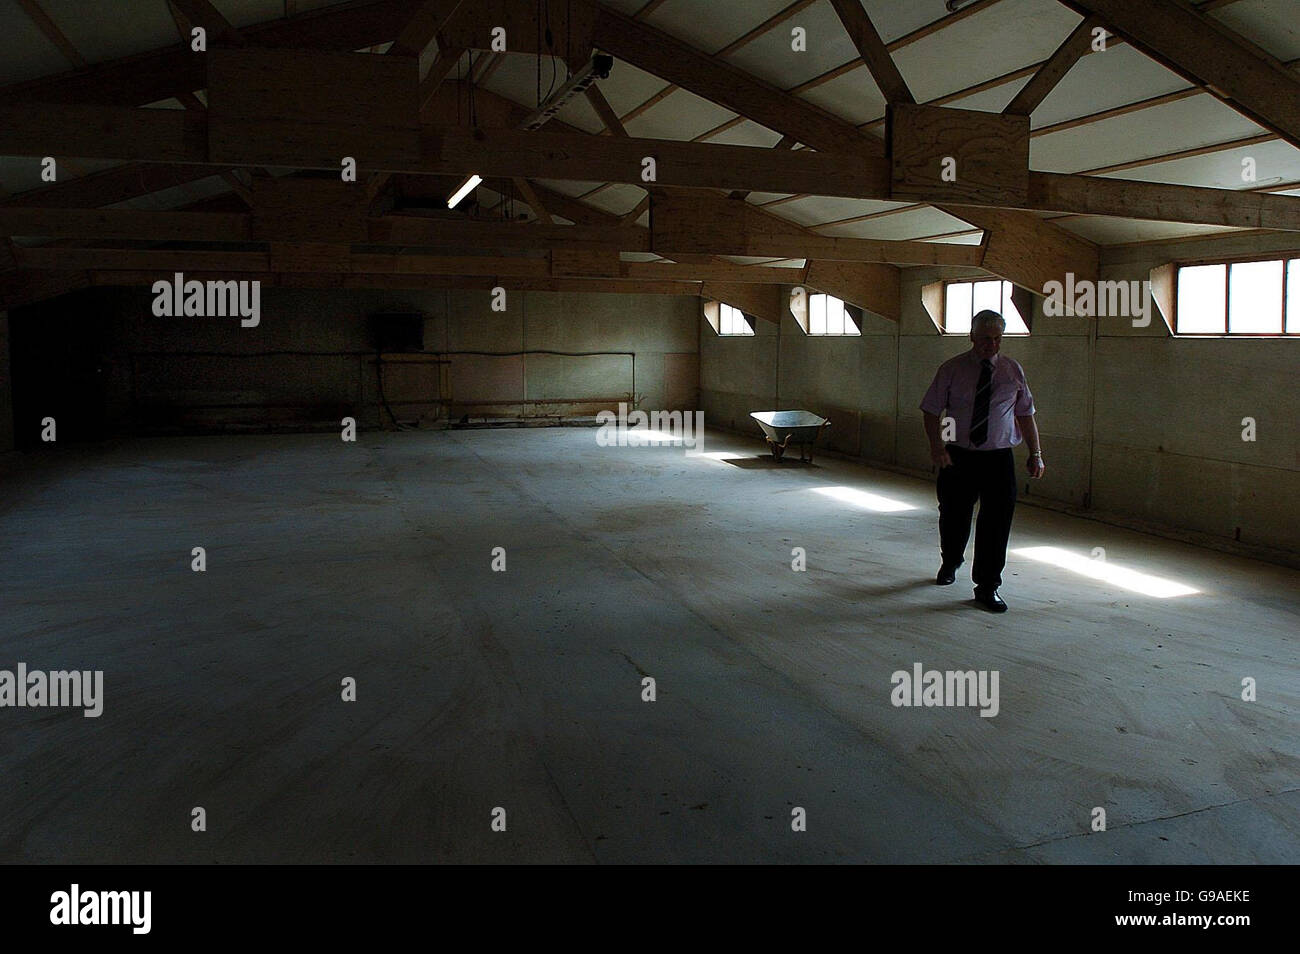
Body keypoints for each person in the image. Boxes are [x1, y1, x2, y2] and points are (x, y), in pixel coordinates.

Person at [920, 309, 1044, 612]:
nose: (991, 344)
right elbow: (931, 410)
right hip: (958, 455)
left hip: (998, 458)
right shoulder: (952, 369)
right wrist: (937, 447)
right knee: (953, 514)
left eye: (997, 339)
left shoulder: (1012, 371)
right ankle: (951, 560)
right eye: (985, 339)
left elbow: (1025, 414)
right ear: (972, 337)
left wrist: (1035, 453)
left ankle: (988, 586)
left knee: (997, 522)